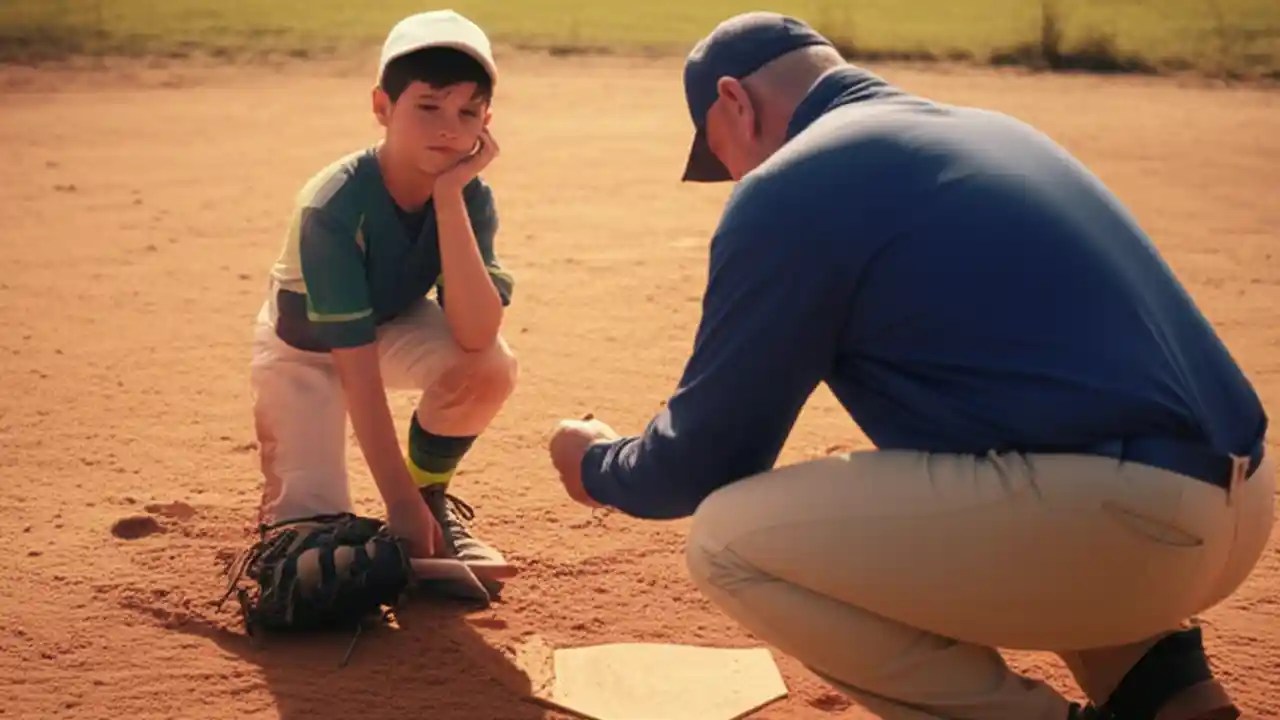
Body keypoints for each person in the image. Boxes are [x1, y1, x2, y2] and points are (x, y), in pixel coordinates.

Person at [548, 12, 1271, 720]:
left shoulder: (794, 185)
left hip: (1128, 524)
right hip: (1238, 500)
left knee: (727, 540)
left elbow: (704, 461)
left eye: (719, 153)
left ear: (734, 102)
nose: (734, 174)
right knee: (1013, 463)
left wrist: (598, 466)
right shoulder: (987, 129)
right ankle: (1165, 690)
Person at [249, 10, 517, 588]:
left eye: (467, 111)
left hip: (390, 324)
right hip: (307, 354)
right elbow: (357, 371)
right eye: (428, 106)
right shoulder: (334, 205)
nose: (449, 127)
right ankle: (369, 515)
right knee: (307, 549)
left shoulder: (470, 197)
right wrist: (396, 508)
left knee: (489, 366)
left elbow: (475, 335)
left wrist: (449, 196)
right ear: (381, 107)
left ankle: (432, 496)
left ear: (486, 121)